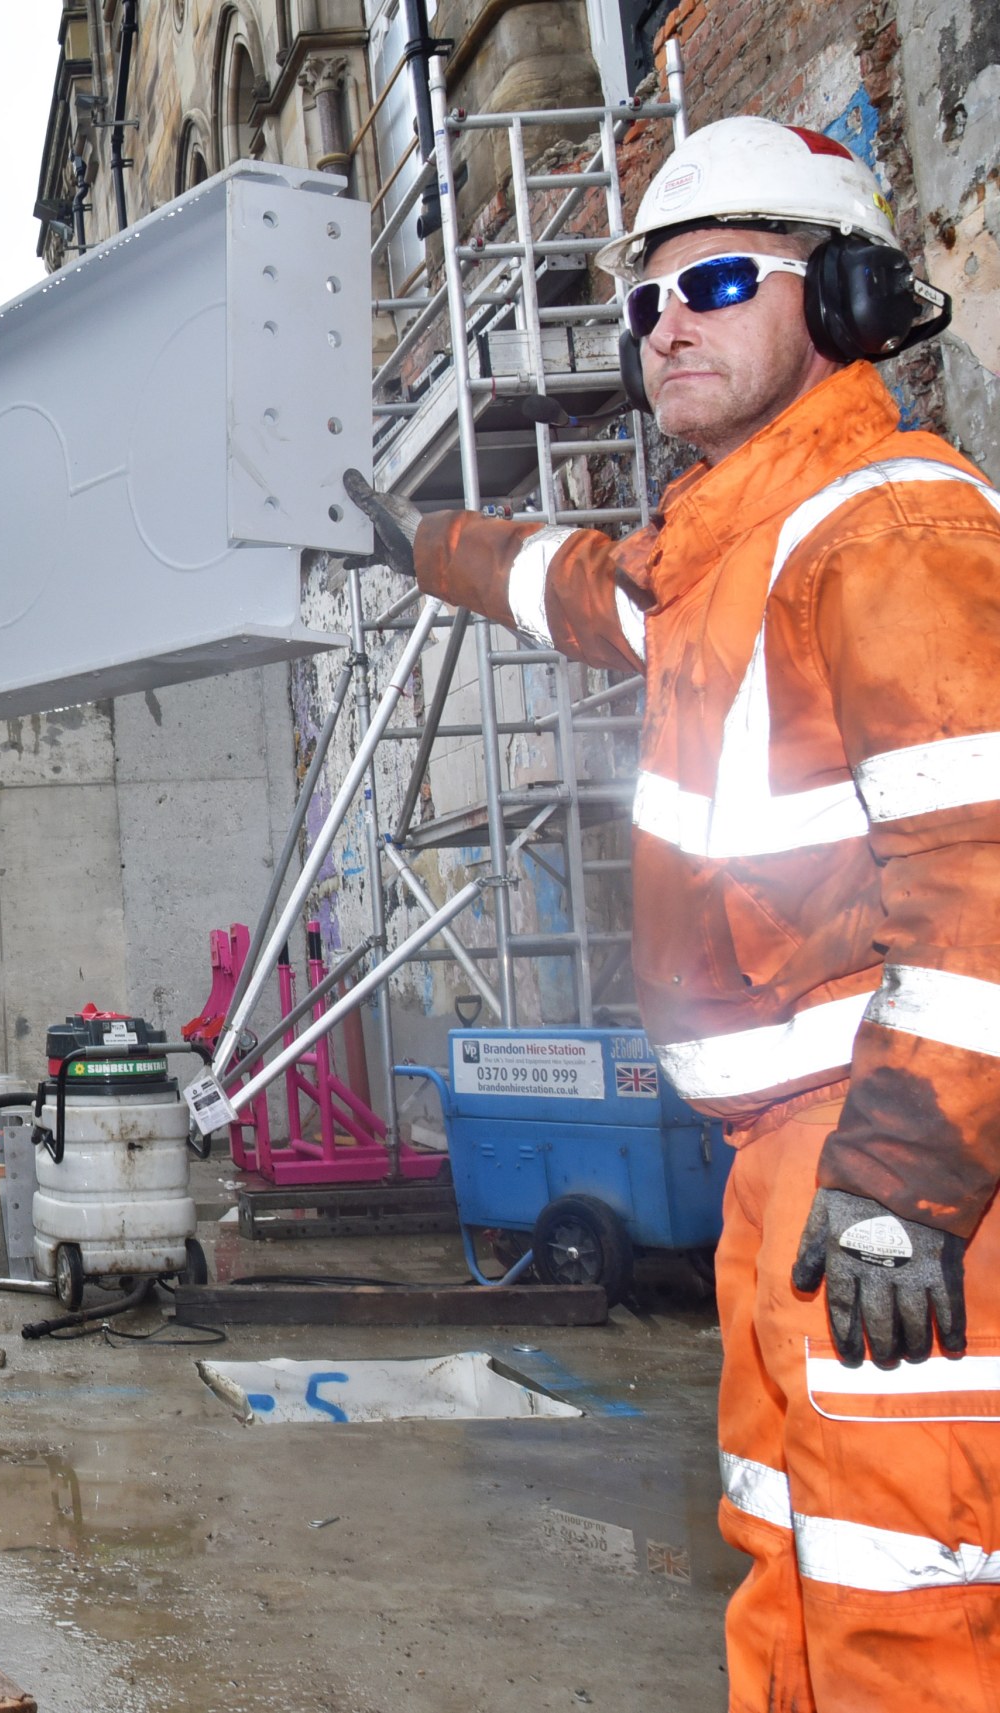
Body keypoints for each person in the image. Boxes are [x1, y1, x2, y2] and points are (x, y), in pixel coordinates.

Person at [348, 117, 989, 1709]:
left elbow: (989, 894)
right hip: (784, 1168)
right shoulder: (732, 548)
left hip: (901, 1169)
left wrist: (905, 1183)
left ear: (838, 297)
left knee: (901, 1596)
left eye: (713, 278)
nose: (665, 324)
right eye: (642, 301)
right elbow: (585, 591)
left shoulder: (890, 528)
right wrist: (424, 546)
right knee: (787, 1554)